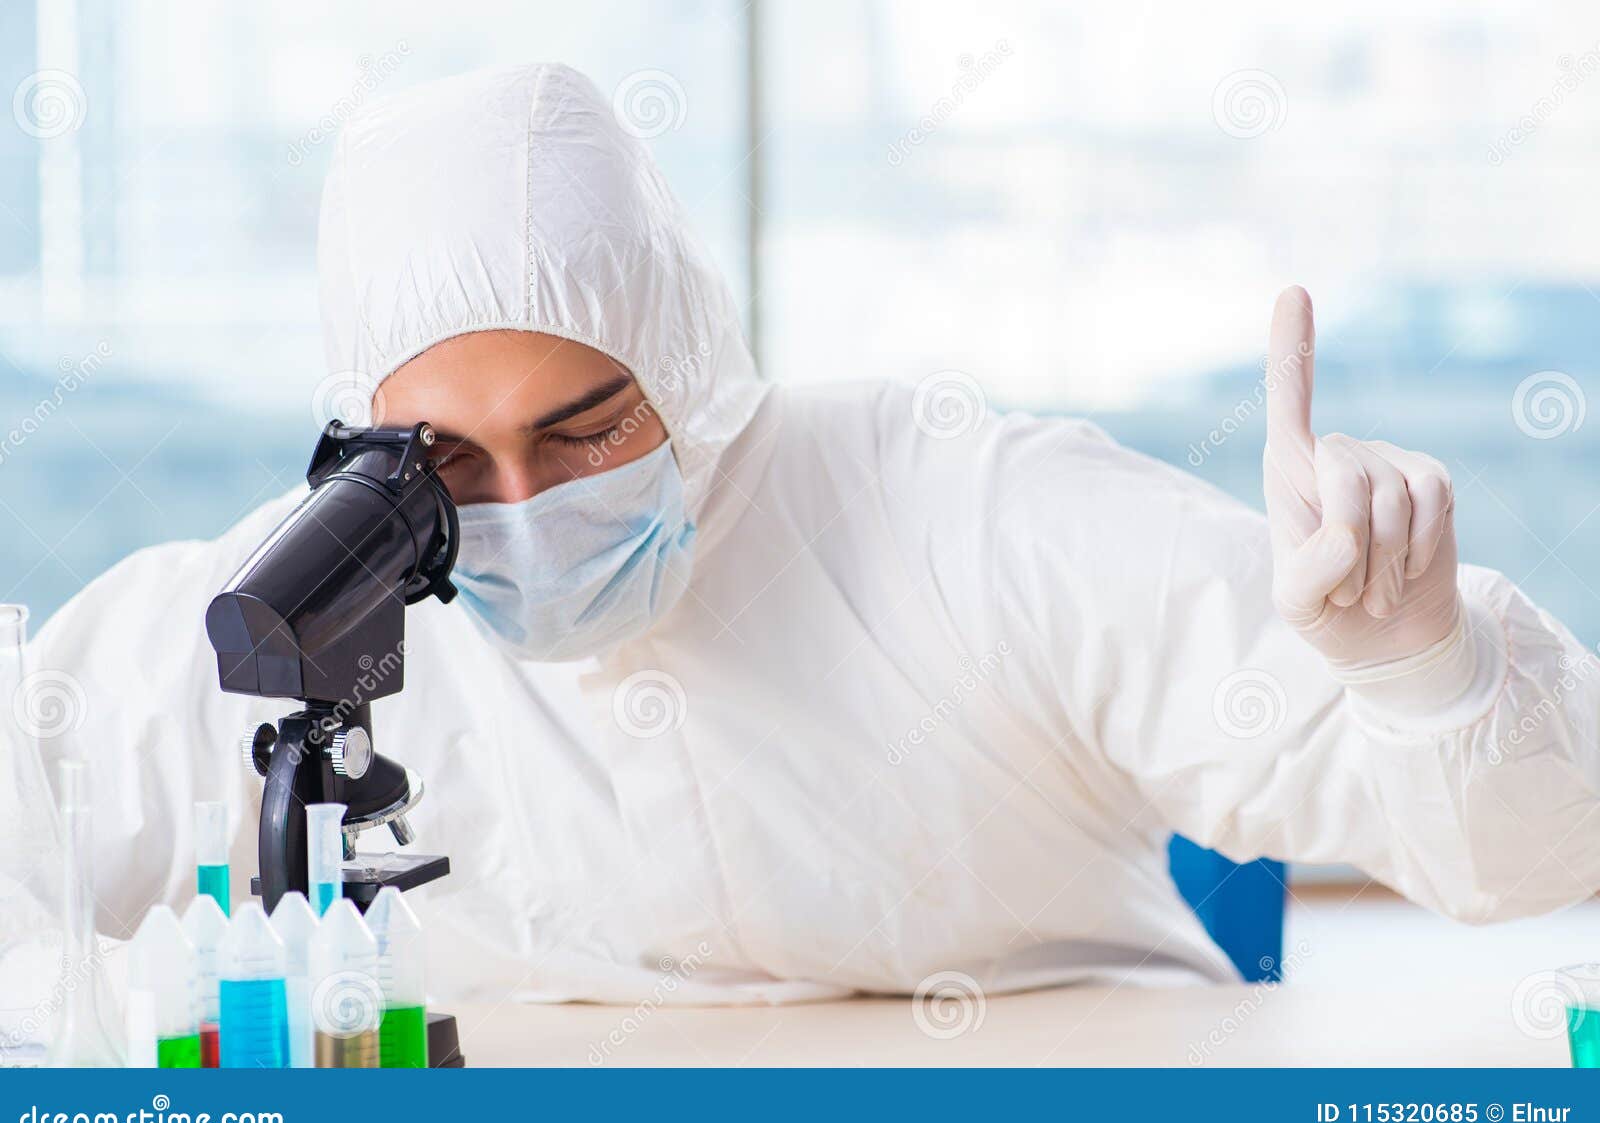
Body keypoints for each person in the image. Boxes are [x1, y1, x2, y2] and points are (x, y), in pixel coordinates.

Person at [25, 63, 1600, 1004]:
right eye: (443, 456)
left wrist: (1427, 674)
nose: (526, 508)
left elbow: (1545, 857)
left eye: (584, 428)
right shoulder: (300, 605)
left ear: (685, 361)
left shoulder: (973, 518)